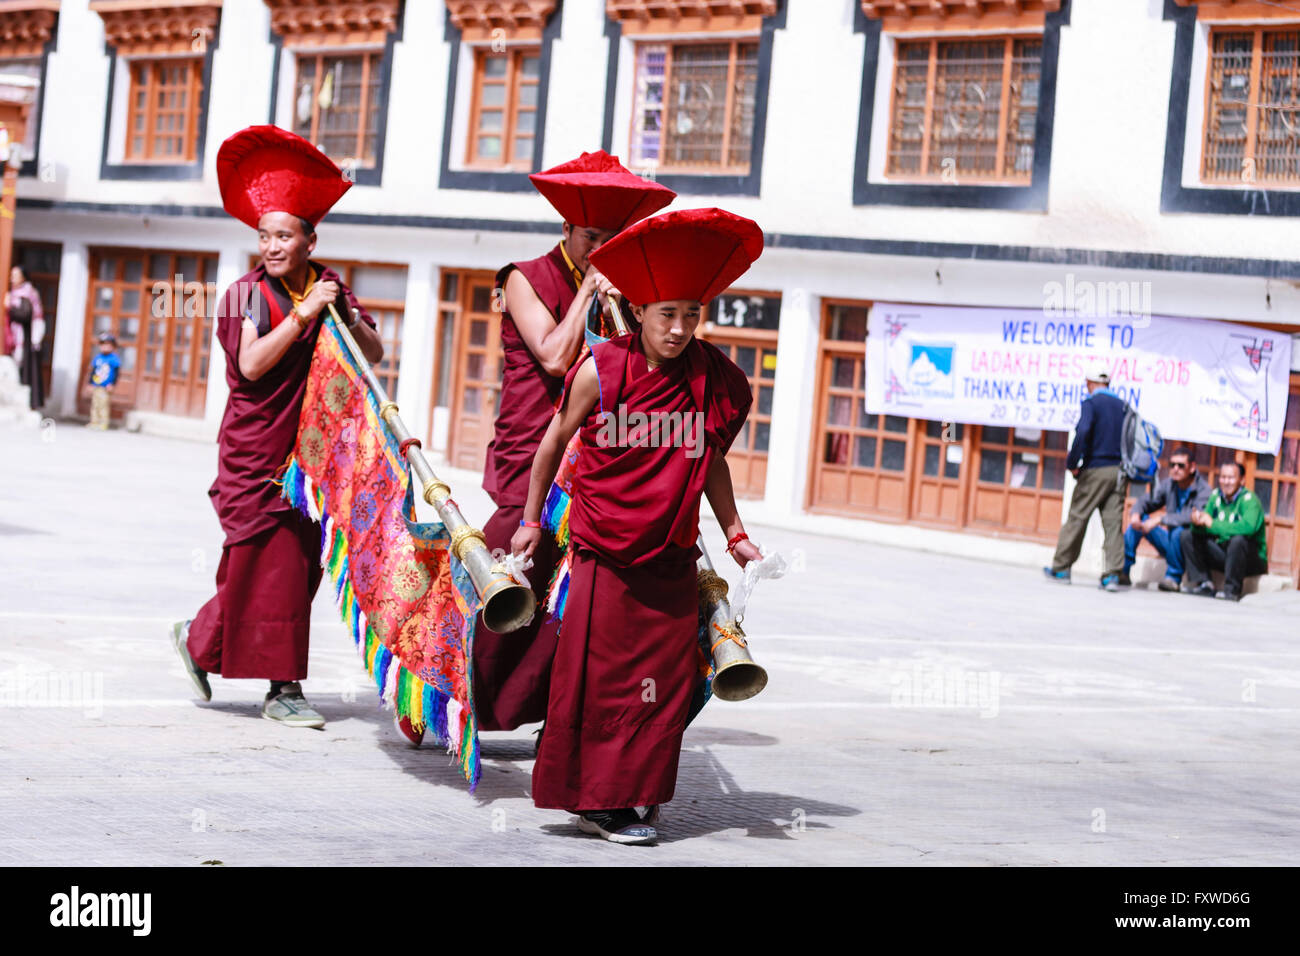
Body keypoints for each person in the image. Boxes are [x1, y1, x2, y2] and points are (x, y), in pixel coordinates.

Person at [511, 207, 763, 845]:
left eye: (691, 315)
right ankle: (599, 802)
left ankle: (637, 791)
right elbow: (552, 443)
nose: (679, 330)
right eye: (665, 315)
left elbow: (711, 464)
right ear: (641, 312)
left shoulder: (714, 379)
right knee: (602, 684)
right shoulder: (603, 368)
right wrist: (529, 522)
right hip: (605, 556)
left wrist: (735, 533)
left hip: (670, 562)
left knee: (665, 686)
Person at [169, 126, 384, 728]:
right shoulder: (242, 293)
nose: (271, 246)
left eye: (284, 235)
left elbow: (374, 352)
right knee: (265, 566)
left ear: (310, 239)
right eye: (264, 236)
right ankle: (282, 689)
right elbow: (251, 362)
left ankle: (199, 640)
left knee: (293, 568)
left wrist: (337, 308)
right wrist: (302, 314)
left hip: (312, 461)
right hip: (256, 455)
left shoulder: (328, 286)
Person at [469, 150, 675, 745]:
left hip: (596, 463)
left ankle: (555, 715)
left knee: (575, 597)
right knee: (514, 576)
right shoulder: (523, 278)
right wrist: (589, 287)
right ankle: (458, 688)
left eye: (613, 240)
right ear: (567, 230)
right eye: (591, 238)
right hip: (530, 446)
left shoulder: (627, 289)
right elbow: (556, 356)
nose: (600, 249)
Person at [1044, 362, 1128, 590]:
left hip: (1095, 469)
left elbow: (1083, 431)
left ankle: (1061, 567)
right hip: (1119, 472)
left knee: (1077, 517)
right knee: (1113, 524)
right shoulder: (1123, 406)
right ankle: (1111, 574)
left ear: (1090, 383)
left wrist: (1072, 462)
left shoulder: (1092, 403)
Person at [1121, 446, 1209, 590]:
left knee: (1178, 531)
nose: (1175, 469)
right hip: (1170, 543)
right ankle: (1123, 571)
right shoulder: (1169, 484)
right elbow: (1147, 500)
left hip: (1190, 547)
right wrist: (1136, 514)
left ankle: (1173, 579)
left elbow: (1193, 517)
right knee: (1139, 522)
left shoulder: (1203, 490)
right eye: (1172, 465)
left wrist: (1160, 519)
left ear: (1192, 467)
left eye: (1180, 466)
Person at [1181, 460, 1268, 601]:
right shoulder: (1215, 496)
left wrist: (1212, 523)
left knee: (1238, 540)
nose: (1226, 482)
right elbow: (1207, 524)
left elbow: (1247, 528)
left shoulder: (1250, 500)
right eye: (1223, 477)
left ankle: (1232, 590)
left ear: (1242, 480)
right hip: (1225, 555)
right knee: (1188, 535)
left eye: (1231, 478)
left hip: (1250, 560)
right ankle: (1205, 584)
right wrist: (1198, 523)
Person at [7, 264, 45, 409]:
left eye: (15, 276)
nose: (12, 279)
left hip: (25, 339)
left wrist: (9, 308)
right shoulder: (15, 293)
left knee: (24, 370)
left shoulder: (26, 294)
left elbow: (25, 314)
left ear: (23, 277)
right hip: (17, 337)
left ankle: (26, 403)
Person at [86, 332, 121, 430]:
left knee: (103, 405)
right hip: (96, 385)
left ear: (113, 346)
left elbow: (117, 373)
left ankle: (103, 423)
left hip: (106, 387)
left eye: (108, 345)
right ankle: (94, 422)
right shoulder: (98, 358)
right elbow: (93, 371)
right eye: (103, 344)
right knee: (95, 404)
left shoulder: (114, 359)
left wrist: (112, 384)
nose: (105, 347)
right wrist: (90, 383)